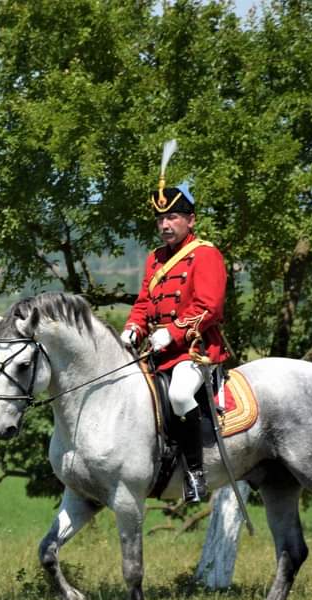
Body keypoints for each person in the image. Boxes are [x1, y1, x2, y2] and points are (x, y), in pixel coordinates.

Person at [121, 169, 230, 503]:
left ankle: (196, 475)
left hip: (195, 352)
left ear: (190, 220)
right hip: (157, 353)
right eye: (160, 220)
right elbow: (143, 303)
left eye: (172, 218)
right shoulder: (155, 258)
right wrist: (132, 329)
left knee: (182, 396)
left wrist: (172, 332)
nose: (165, 225)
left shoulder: (206, 254)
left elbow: (209, 306)